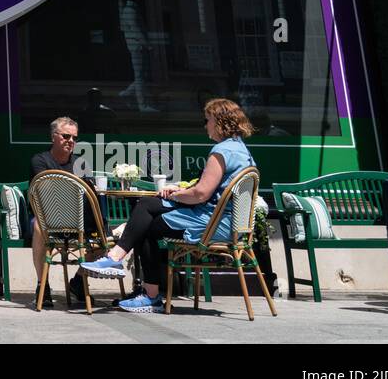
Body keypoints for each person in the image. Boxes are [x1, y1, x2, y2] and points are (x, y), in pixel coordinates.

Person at [81, 98, 256, 313]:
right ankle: (142, 287)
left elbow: (201, 193)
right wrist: (179, 191)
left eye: (207, 120)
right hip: (229, 223)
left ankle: (120, 264)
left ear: (220, 121)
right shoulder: (240, 150)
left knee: (145, 212)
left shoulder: (221, 151)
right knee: (147, 217)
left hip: (212, 223)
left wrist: (176, 195)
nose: (205, 125)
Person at [28, 116, 95, 302]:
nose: (71, 141)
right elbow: (47, 192)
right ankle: (43, 286)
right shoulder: (40, 161)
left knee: (106, 236)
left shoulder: (81, 164)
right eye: (66, 136)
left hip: (78, 220)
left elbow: (91, 194)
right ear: (53, 137)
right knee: (39, 227)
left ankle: (79, 281)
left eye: (74, 138)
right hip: (47, 219)